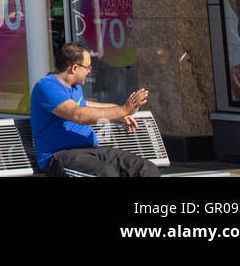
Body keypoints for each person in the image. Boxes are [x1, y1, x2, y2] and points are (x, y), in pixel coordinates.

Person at [31, 43, 159, 177]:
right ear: (74, 68)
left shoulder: (74, 87)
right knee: (107, 174)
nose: (90, 70)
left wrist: (118, 113)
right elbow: (78, 114)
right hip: (61, 157)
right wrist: (123, 110)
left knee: (146, 169)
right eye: (88, 67)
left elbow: (85, 105)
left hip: (92, 151)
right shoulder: (47, 86)